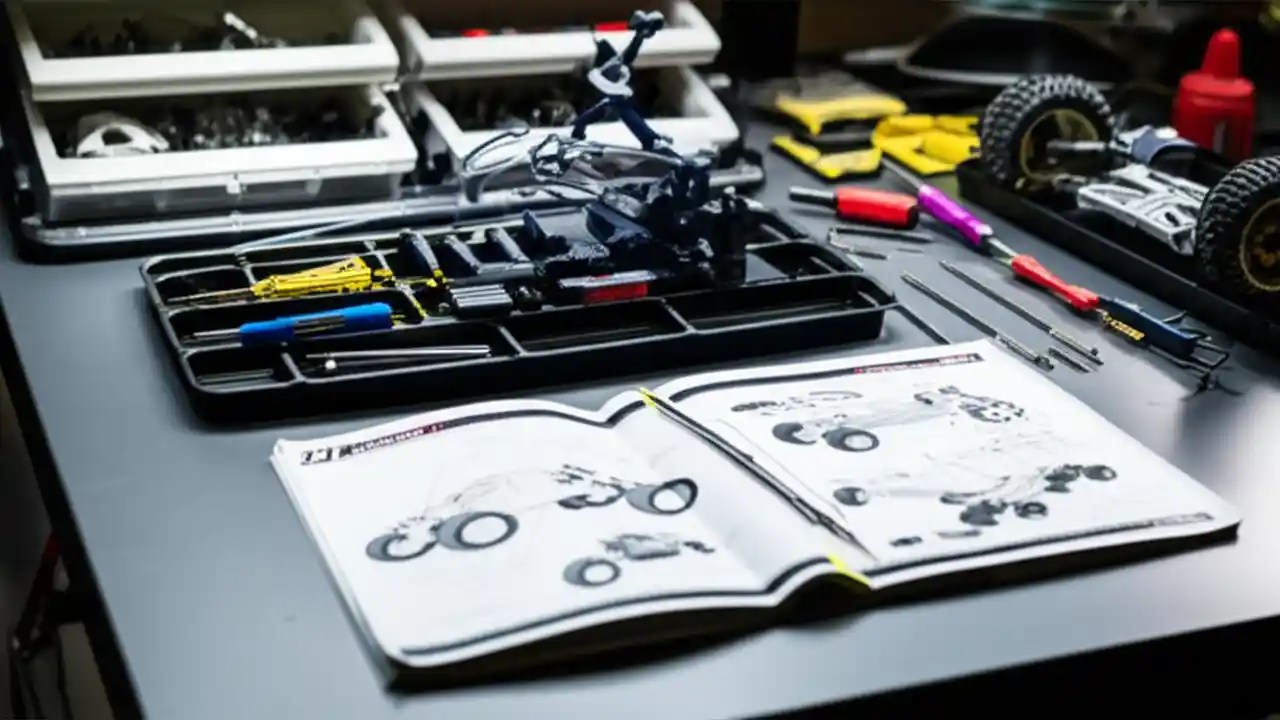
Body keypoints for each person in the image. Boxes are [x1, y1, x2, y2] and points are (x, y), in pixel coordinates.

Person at [570, 10, 675, 154]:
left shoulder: (612, 65)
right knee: (590, 118)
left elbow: (629, 54)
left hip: (611, 101)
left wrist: (639, 37)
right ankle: (650, 140)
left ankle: (651, 140)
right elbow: (627, 56)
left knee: (620, 112)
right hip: (607, 101)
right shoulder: (600, 71)